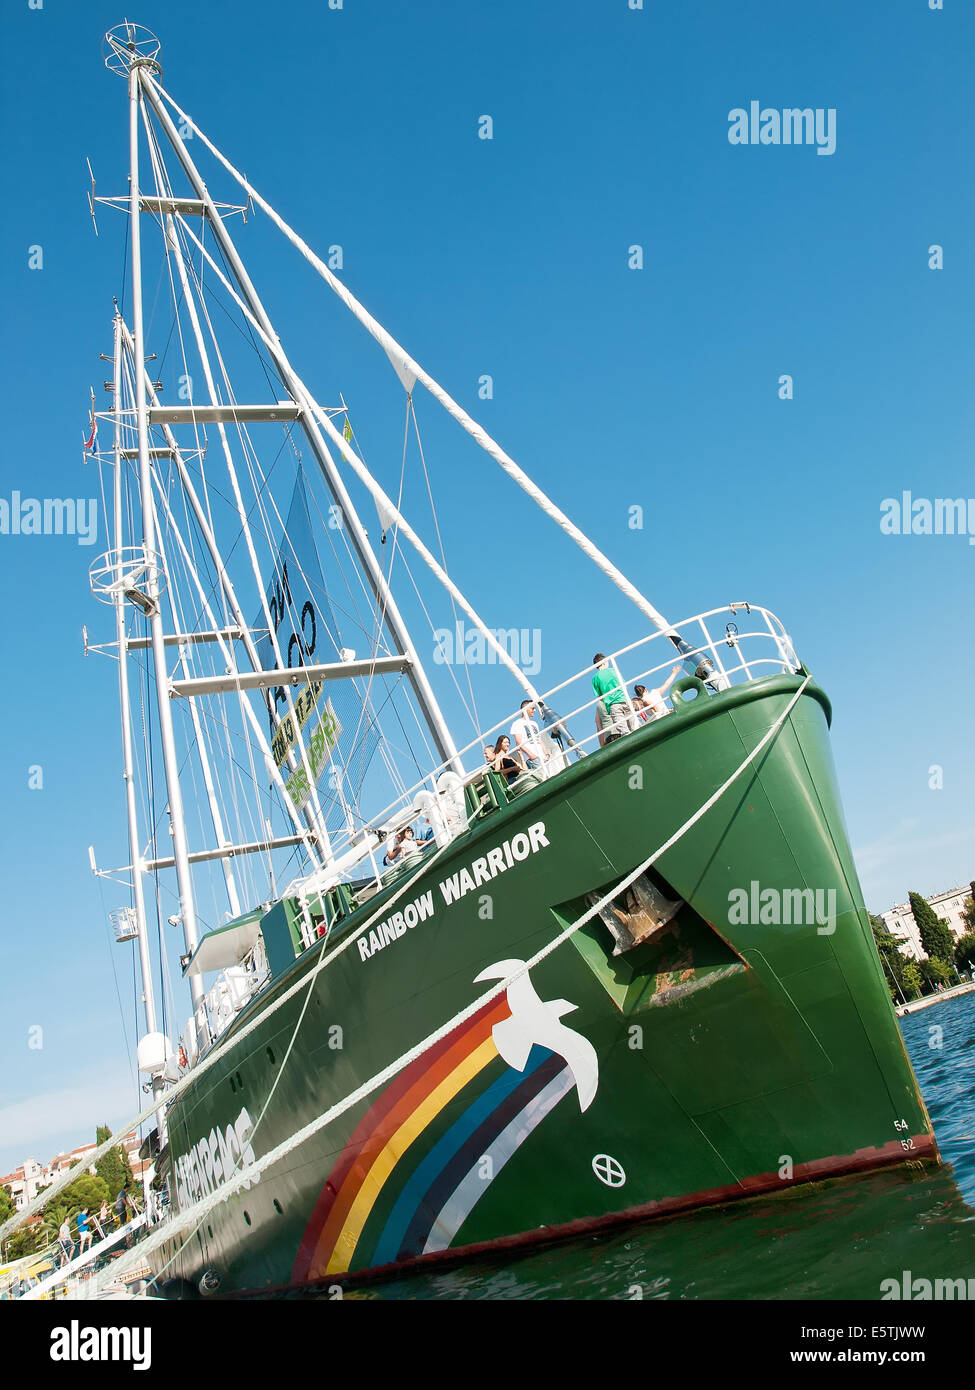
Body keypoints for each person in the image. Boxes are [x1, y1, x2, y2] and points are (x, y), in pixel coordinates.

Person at [591, 654, 634, 743]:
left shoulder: (595, 678)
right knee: (634, 727)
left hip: (613, 705)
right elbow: (623, 685)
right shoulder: (614, 670)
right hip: (625, 701)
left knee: (625, 732)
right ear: (604, 662)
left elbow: (600, 697)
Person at [510, 700, 548, 774]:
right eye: (532, 708)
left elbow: (539, 740)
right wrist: (531, 755)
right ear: (526, 709)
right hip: (532, 757)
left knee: (548, 776)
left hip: (542, 756)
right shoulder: (517, 723)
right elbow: (518, 742)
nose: (534, 710)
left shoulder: (534, 723)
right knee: (543, 776)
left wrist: (546, 754)